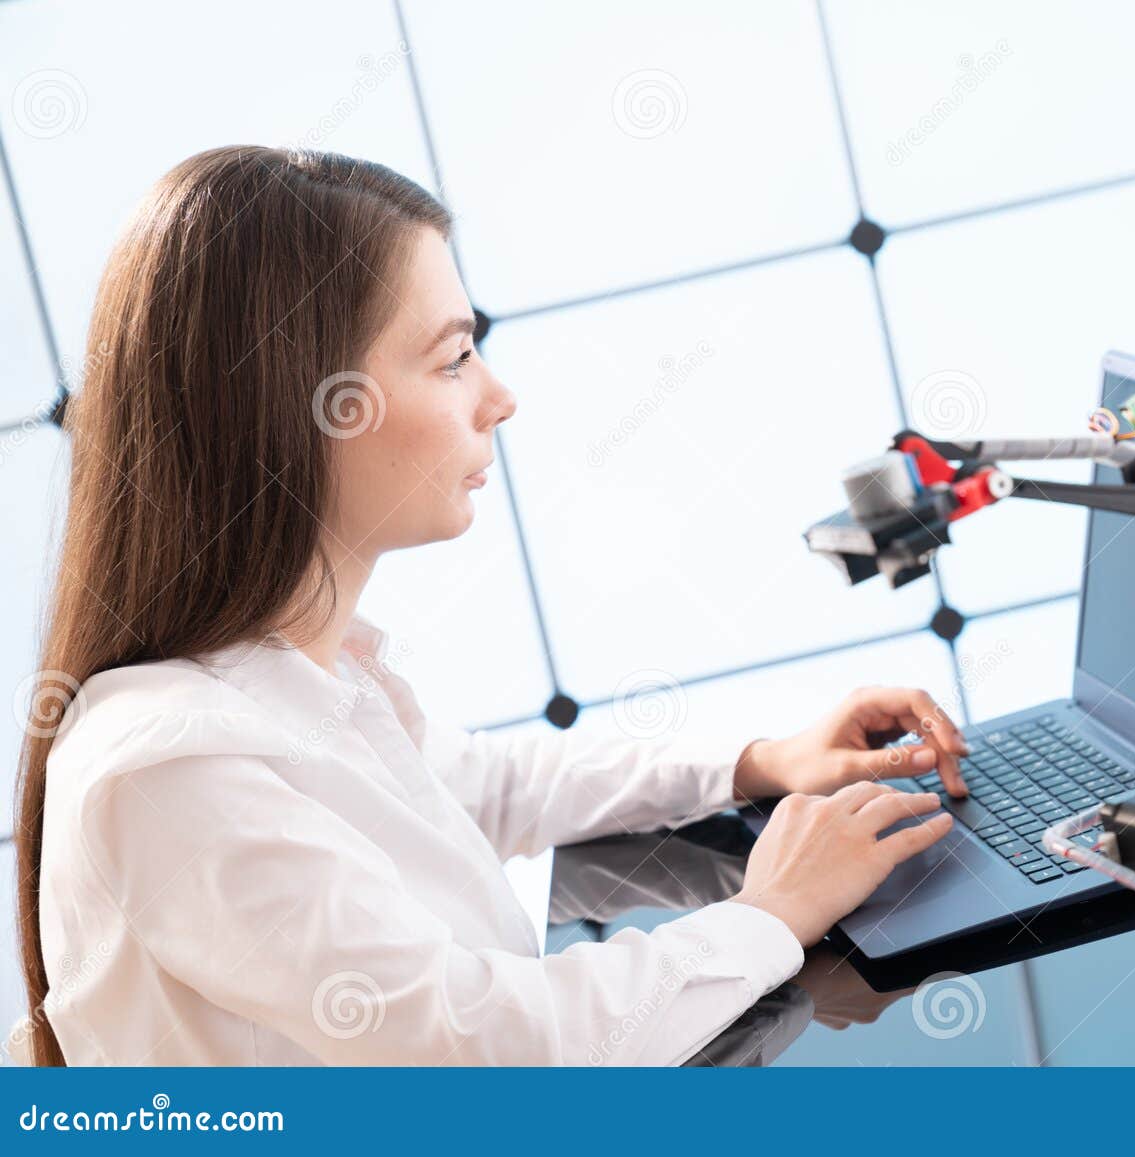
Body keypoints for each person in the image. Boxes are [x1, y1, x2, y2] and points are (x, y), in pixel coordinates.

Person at [10, 146, 970, 1066]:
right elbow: (491, 1050)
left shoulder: (300, 684)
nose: (499, 398)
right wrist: (766, 914)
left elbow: (489, 789)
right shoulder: (167, 762)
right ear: (300, 403)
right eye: (454, 357)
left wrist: (761, 761)